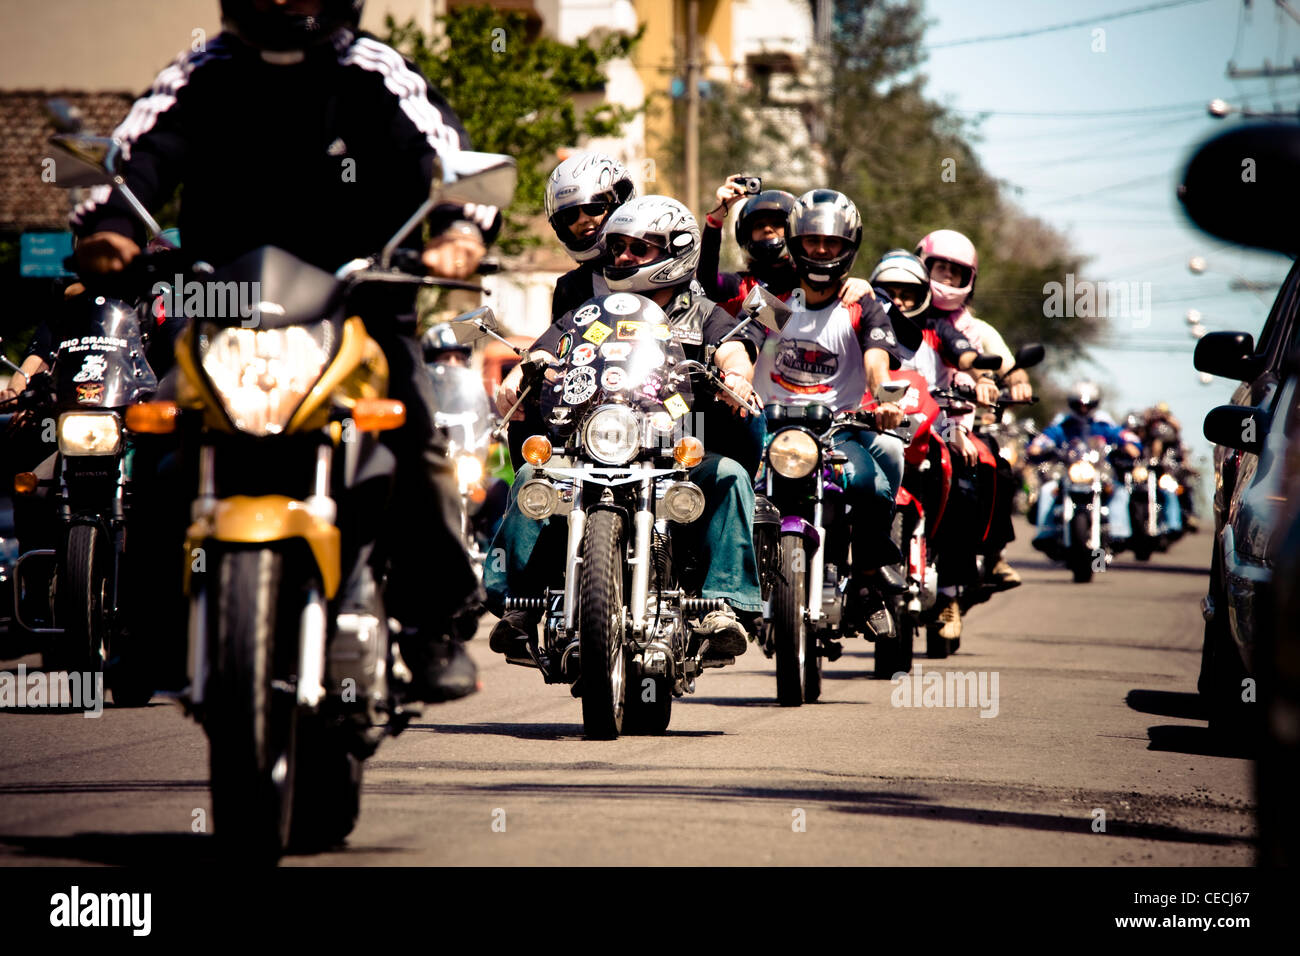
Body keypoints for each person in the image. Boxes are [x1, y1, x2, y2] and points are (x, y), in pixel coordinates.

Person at [68, 0, 502, 702]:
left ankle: (431, 627)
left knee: (417, 440)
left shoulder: (375, 72)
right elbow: (133, 156)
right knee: (162, 435)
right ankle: (150, 630)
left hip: (357, 303)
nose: (282, 1)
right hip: (222, 308)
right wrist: (112, 226)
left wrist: (459, 229)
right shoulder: (200, 75)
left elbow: (448, 155)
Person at [487, 195, 766, 661]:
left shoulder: (705, 313)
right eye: (617, 247)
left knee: (730, 477)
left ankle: (723, 604)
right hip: (595, 445)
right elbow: (542, 351)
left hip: (677, 451)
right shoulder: (592, 312)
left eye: (639, 249)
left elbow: (733, 349)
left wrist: (734, 374)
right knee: (531, 478)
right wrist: (515, 381)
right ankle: (518, 604)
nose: (622, 258)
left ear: (677, 251)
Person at [728, 189, 908, 632]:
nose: (822, 251)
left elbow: (875, 361)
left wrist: (884, 403)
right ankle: (723, 595)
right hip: (770, 426)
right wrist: (735, 380)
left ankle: (866, 582)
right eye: (813, 241)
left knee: (870, 485)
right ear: (795, 242)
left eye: (832, 243)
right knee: (726, 484)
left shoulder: (861, 304)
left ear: (849, 248)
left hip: (838, 431)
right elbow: (743, 346)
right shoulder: (777, 299)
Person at [496, 152, 636, 469]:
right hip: (590, 404)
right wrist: (520, 372)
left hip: (655, 402)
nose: (583, 219)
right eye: (571, 214)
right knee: (528, 421)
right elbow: (560, 337)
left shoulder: (662, 267)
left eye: (595, 208)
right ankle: (531, 504)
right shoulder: (570, 286)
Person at [700, 174, 875, 308]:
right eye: (759, 225)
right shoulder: (739, 287)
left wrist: (861, 287)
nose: (768, 229)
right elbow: (707, 281)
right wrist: (716, 218)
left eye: (777, 224)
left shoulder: (809, 282)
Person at [1028, 381, 1142, 549]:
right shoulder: (1063, 426)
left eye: (1088, 404)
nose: (1083, 408)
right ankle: (1046, 533)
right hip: (1069, 473)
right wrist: (1037, 447)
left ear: (1095, 404)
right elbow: (1044, 439)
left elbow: (1125, 437)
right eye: (1079, 404)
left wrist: (1129, 446)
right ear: (1072, 404)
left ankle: (1119, 534)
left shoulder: (1103, 425)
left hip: (1099, 473)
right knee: (1047, 490)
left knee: (1119, 492)